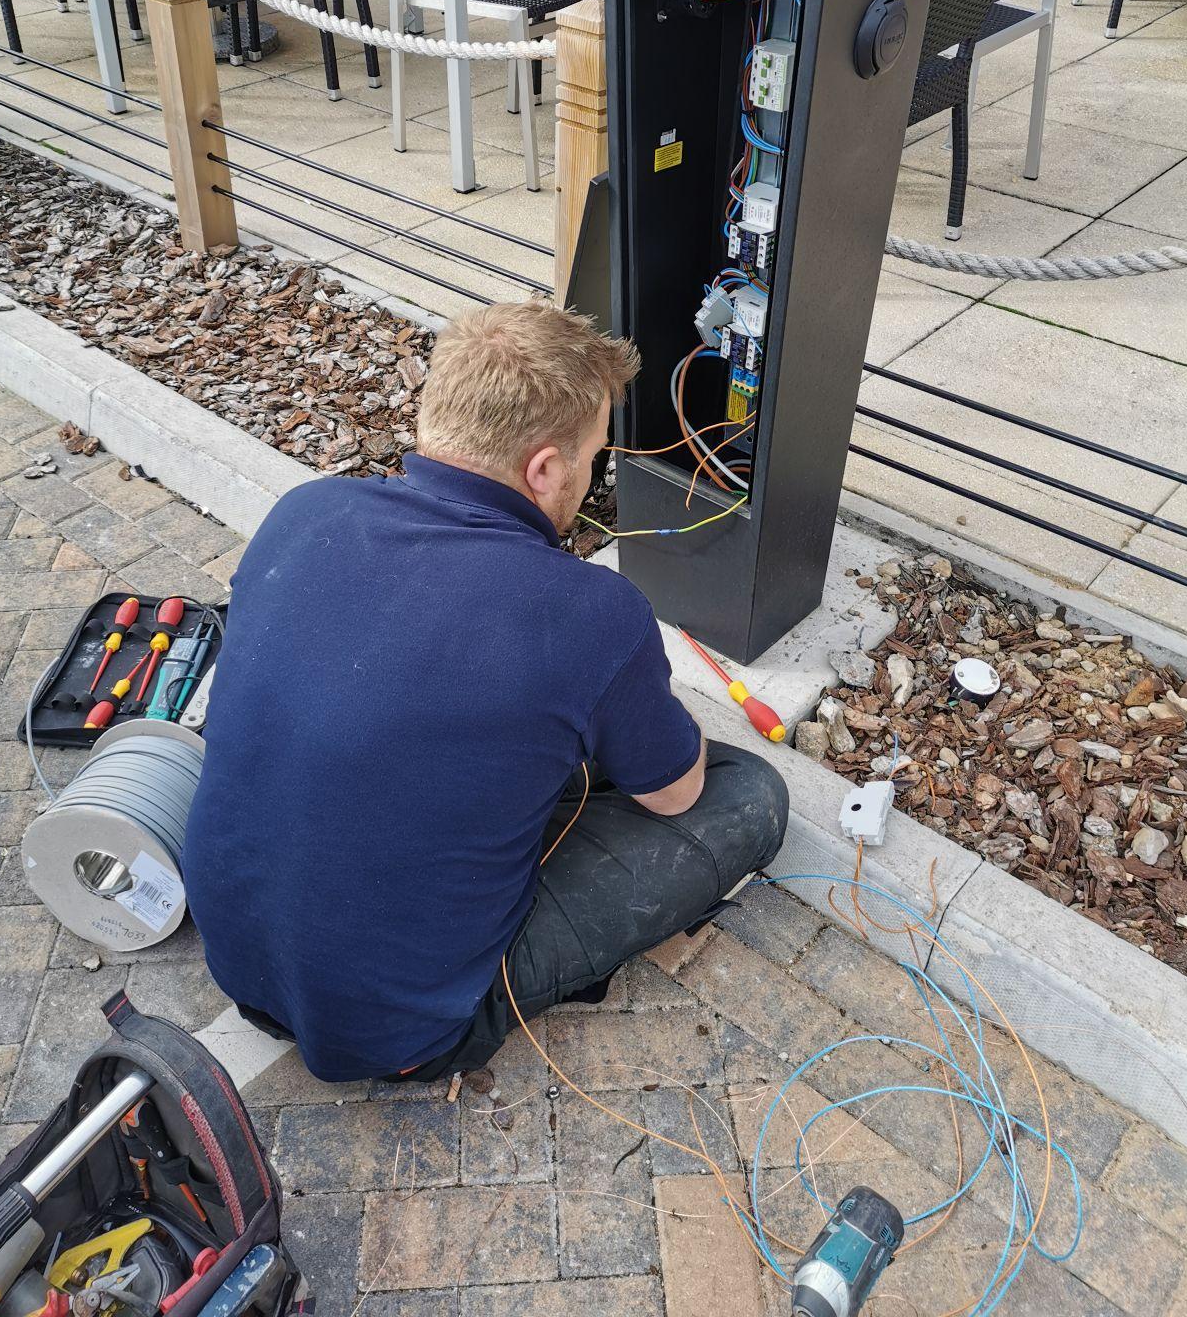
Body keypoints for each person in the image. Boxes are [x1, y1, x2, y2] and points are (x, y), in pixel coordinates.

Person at [183, 303, 789, 1083]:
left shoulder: (307, 511)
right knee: (748, 793)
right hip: (402, 1033)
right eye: (593, 458)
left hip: (237, 962)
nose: (592, 476)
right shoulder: (589, 612)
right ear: (544, 468)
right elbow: (678, 797)